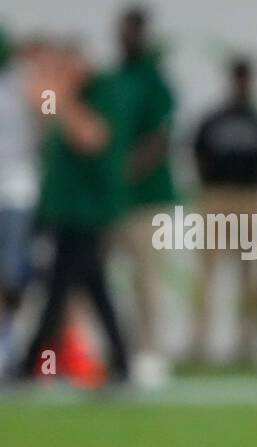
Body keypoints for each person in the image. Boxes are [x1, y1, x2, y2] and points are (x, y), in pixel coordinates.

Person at [11, 41, 130, 384]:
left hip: (87, 215)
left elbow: (92, 137)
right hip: (66, 213)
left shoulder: (101, 96)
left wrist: (61, 98)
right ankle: (121, 363)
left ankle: (28, 365)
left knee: (58, 292)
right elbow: (40, 112)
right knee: (92, 289)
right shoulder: (64, 104)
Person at [110, 6, 179, 384]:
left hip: (149, 199)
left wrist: (121, 173)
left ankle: (151, 354)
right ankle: (118, 350)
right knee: (100, 280)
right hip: (110, 203)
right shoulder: (115, 77)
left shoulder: (155, 81)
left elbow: (160, 138)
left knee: (149, 281)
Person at [190, 56, 257, 363]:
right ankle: (199, 341)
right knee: (207, 273)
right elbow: (197, 155)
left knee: (250, 276)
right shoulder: (214, 119)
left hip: (248, 197)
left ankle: (248, 342)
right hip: (216, 196)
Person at [0, 28, 40, 371]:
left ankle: (10, 342)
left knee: (14, 274)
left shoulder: (25, 83)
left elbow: (48, 114)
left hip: (17, 192)